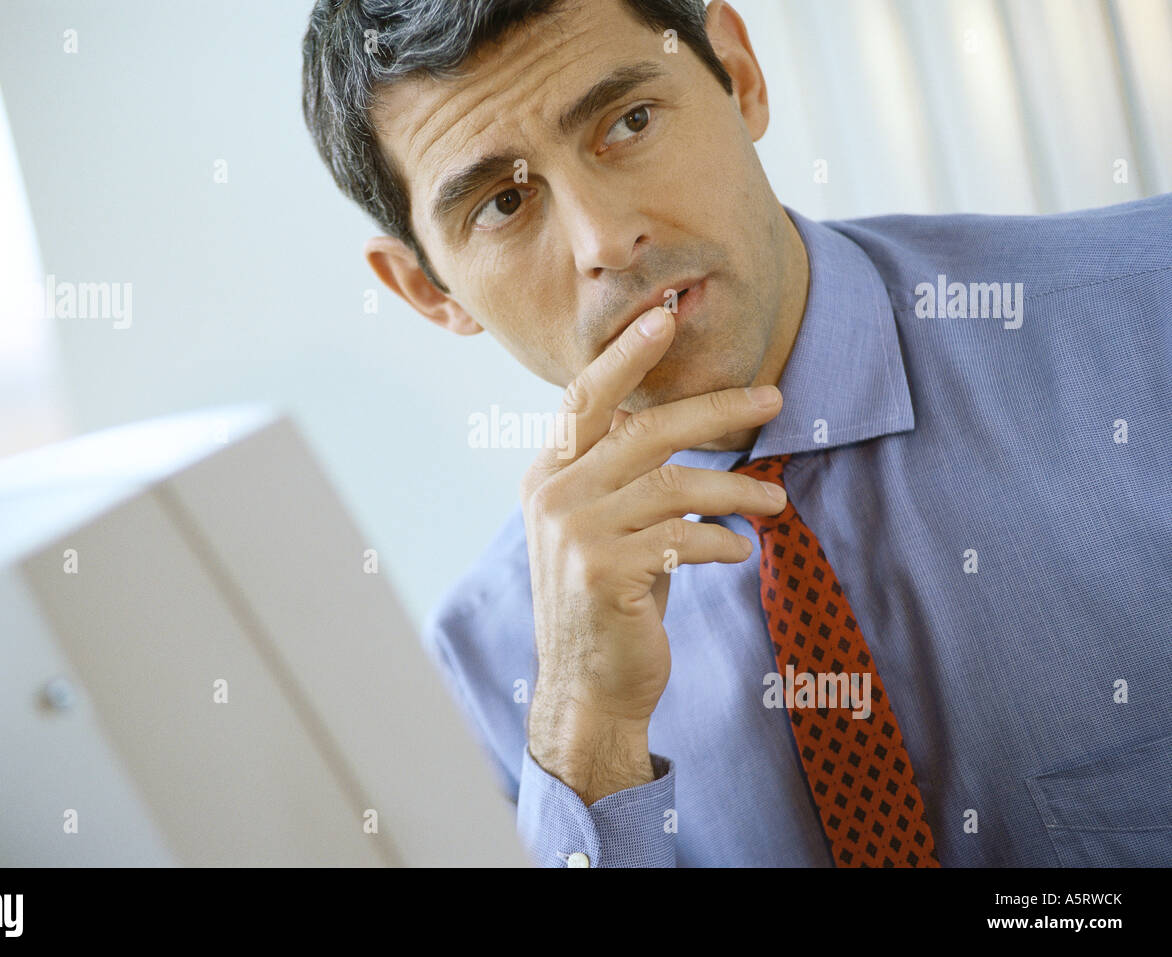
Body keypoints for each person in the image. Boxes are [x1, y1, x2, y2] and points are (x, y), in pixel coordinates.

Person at [300, 0, 1172, 866]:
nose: (605, 239)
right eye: (500, 204)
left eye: (629, 121)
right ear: (430, 293)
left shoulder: (1150, 319)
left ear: (739, 76)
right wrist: (587, 747)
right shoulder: (487, 680)